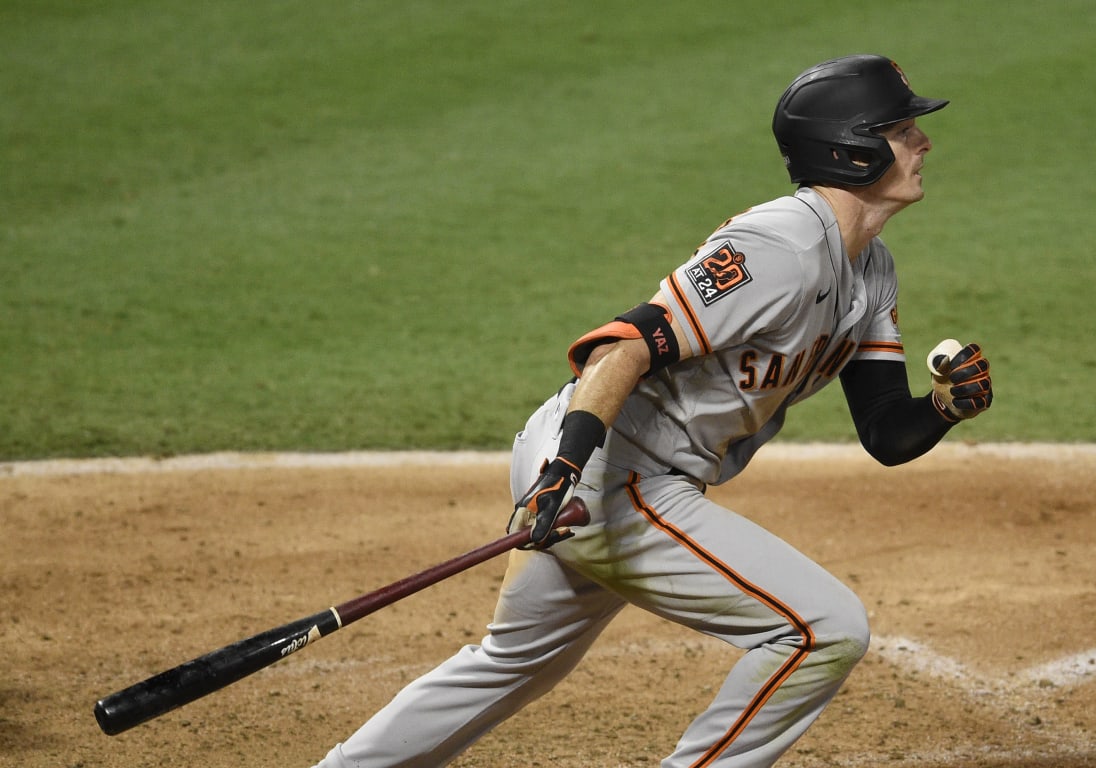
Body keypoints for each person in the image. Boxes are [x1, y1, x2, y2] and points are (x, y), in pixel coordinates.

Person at [312, 53, 994, 768]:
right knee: (823, 628)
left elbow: (886, 430)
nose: (923, 141)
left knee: (513, 661)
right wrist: (568, 467)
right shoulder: (780, 246)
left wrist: (944, 408)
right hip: (607, 470)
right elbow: (626, 347)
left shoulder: (872, 269)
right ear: (850, 151)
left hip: (617, 472)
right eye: (902, 128)